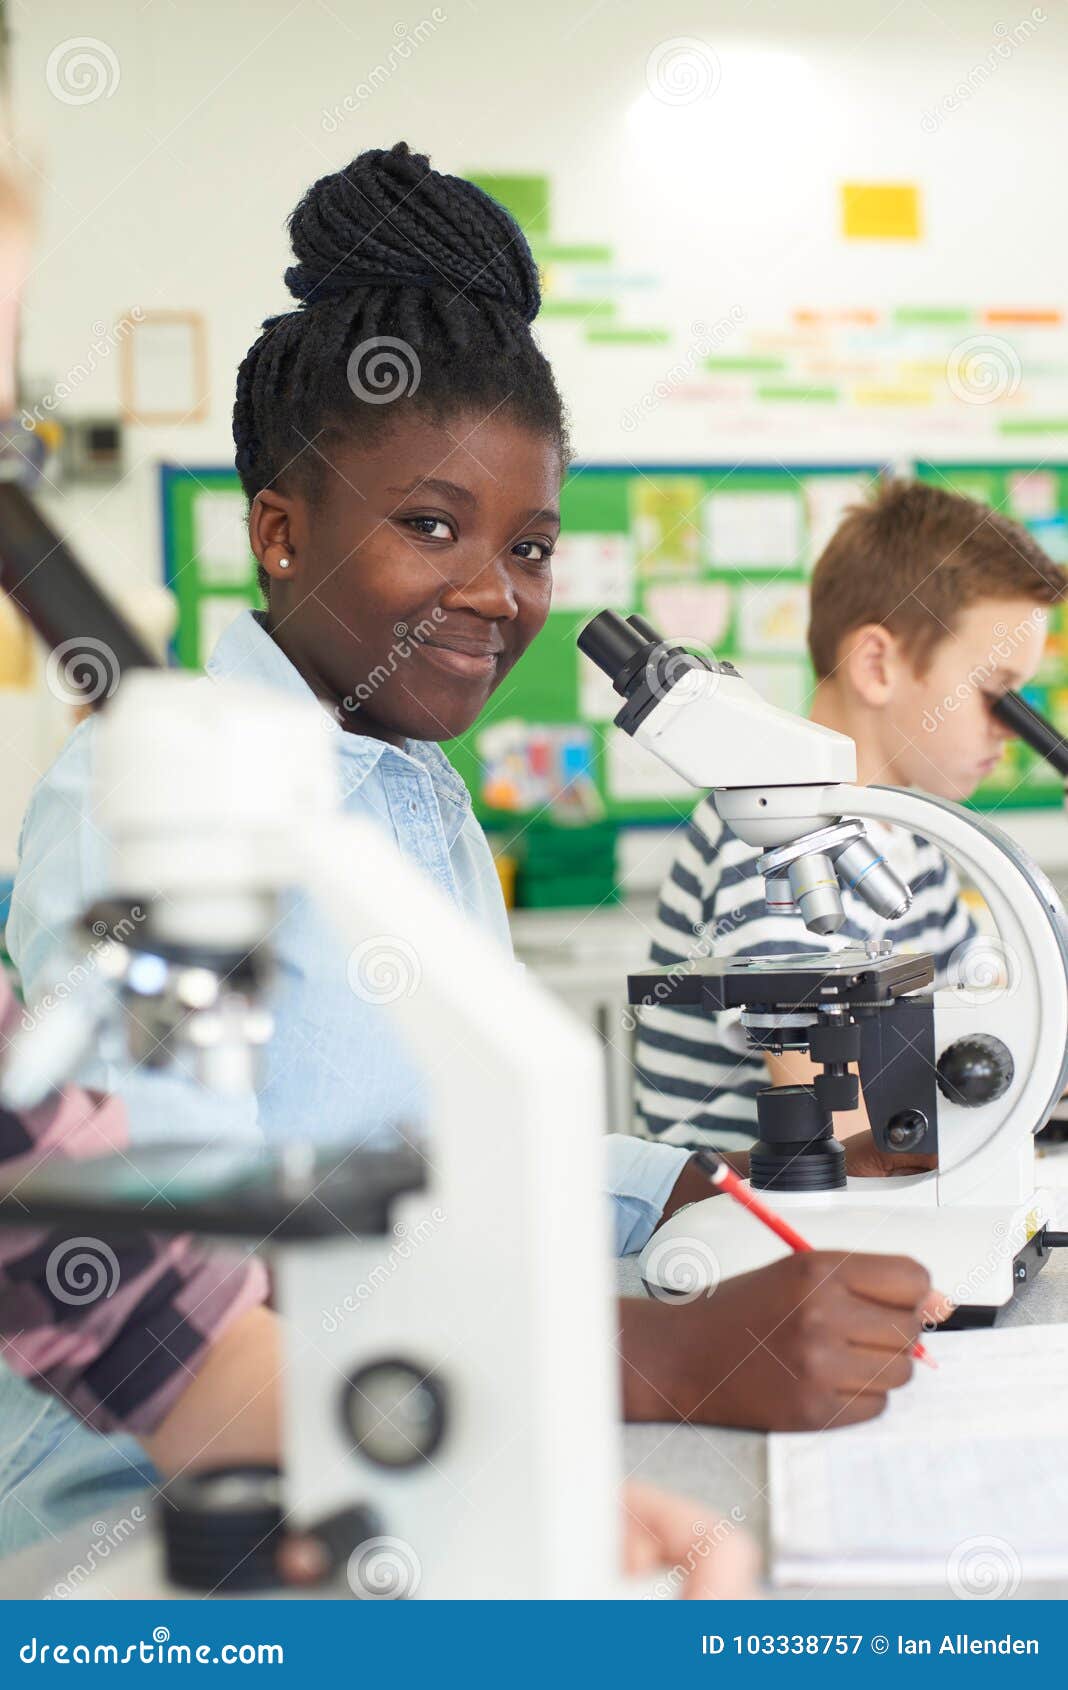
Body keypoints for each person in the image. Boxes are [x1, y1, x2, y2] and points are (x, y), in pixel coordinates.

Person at [6, 148, 934, 1546]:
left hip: (398, 1437)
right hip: (145, 1509)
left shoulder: (411, 784)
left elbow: (443, 1150)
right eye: (430, 525)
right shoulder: (155, 808)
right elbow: (167, 1271)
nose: (496, 593)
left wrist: (687, 1188)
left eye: (534, 546)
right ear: (278, 529)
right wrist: (666, 1358)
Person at [635, 478, 1066, 1151]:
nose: (1012, 730)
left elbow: (991, 1026)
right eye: (997, 693)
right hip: (752, 1235)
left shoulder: (915, 840)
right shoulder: (770, 829)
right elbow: (840, 1124)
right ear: (877, 664)